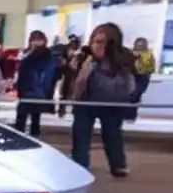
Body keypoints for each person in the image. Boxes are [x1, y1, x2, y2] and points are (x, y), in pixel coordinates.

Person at [71, 23, 135, 177]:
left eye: (101, 42)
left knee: (112, 134)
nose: (96, 46)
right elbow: (74, 81)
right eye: (95, 41)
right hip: (86, 102)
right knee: (80, 134)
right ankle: (79, 165)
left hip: (110, 103)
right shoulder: (85, 58)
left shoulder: (122, 60)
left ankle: (118, 165)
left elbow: (130, 85)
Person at [13, 30, 57, 137]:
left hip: (38, 90)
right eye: (34, 40)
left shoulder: (47, 55)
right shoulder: (27, 53)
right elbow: (21, 69)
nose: (36, 43)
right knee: (23, 116)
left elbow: (48, 74)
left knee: (33, 117)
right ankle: (20, 137)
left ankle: (33, 137)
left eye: (39, 40)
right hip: (26, 89)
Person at [130, 37, 155, 121]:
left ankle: (131, 118)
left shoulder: (148, 56)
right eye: (137, 46)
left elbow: (147, 71)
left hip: (140, 81)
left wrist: (139, 56)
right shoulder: (130, 55)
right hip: (129, 81)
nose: (139, 48)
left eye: (141, 46)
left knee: (134, 98)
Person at [57, 36, 83, 117]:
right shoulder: (66, 51)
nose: (74, 44)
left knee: (76, 93)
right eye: (72, 42)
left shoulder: (81, 53)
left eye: (75, 42)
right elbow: (62, 62)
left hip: (77, 75)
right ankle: (62, 109)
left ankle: (75, 110)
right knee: (65, 92)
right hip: (67, 74)